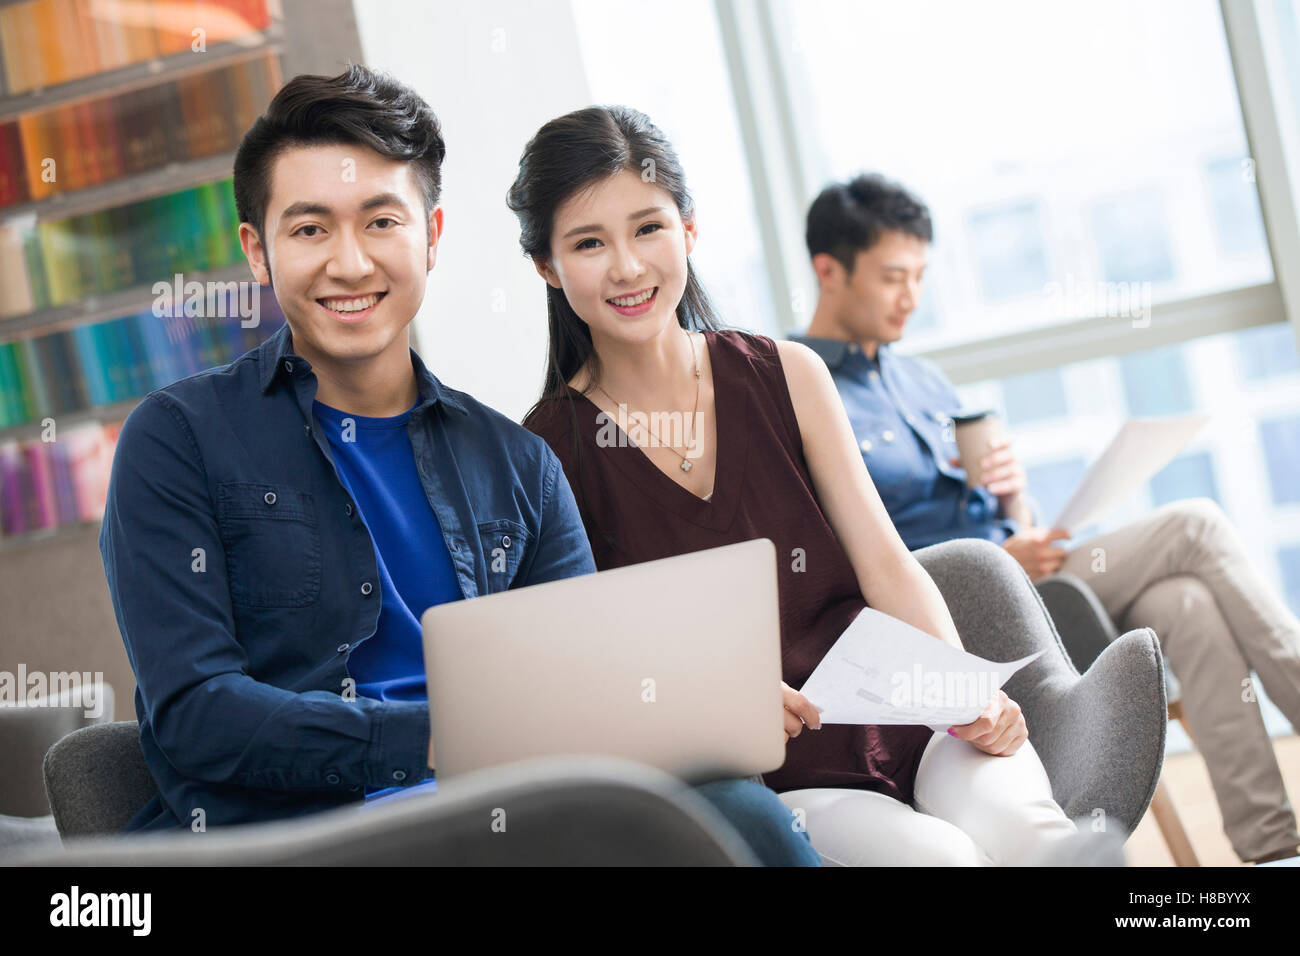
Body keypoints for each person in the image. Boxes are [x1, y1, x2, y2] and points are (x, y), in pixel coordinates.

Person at [98, 64, 818, 866]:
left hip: (512, 825)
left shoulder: (520, 465)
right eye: (309, 230)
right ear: (257, 254)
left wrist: (693, 706)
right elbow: (197, 712)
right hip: (300, 840)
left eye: (381, 222)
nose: (349, 263)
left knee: (740, 819)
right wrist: (446, 737)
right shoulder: (177, 439)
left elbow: (584, 693)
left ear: (432, 237)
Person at [513, 105, 1114, 866]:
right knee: (943, 860)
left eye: (648, 228)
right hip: (779, 782)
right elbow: (599, 678)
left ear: (688, 231)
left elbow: (887, 564)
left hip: (912, 717)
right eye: (589, 243)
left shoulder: (787, 375)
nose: (628, 267)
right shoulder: (545, 455)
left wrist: (966, 693)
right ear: (545, 265)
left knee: (1034, 838)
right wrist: (716, 702)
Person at [791, 171, 1300, 864]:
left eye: (919, 276)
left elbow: (1002, 516)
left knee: (1187, 603)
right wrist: (1000, 558)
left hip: (1038, 583)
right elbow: (852, 559)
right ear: (830, 271)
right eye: (891, 277)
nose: (911, 296)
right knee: (1196, 526)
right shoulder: (800, 391)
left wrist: (1012, 502)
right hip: (970, 613)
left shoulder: (922, 381)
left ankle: (1273, 850)